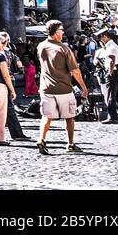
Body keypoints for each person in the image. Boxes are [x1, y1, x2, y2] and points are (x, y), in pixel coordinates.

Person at [35, 20, 89, 155]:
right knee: (69, 116)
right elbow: (75, 71)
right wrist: (84, 87)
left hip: (46, 88)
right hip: (64, 88)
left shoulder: (41, 46)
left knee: (46, 116)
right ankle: (70, 144)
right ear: (55, 33)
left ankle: (41, 139)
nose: (63, 32)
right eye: (61, 30)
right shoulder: (64, 48)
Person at [94, 28, 118, 124]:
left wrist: (110, 72)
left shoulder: (110, 46)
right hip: (117, 71)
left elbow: (112, 59)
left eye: (101, 38)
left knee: (110, 95)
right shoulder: (112, 45)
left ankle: (113, 117)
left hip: (113, 71)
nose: (100, 40)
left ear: (105, 36)